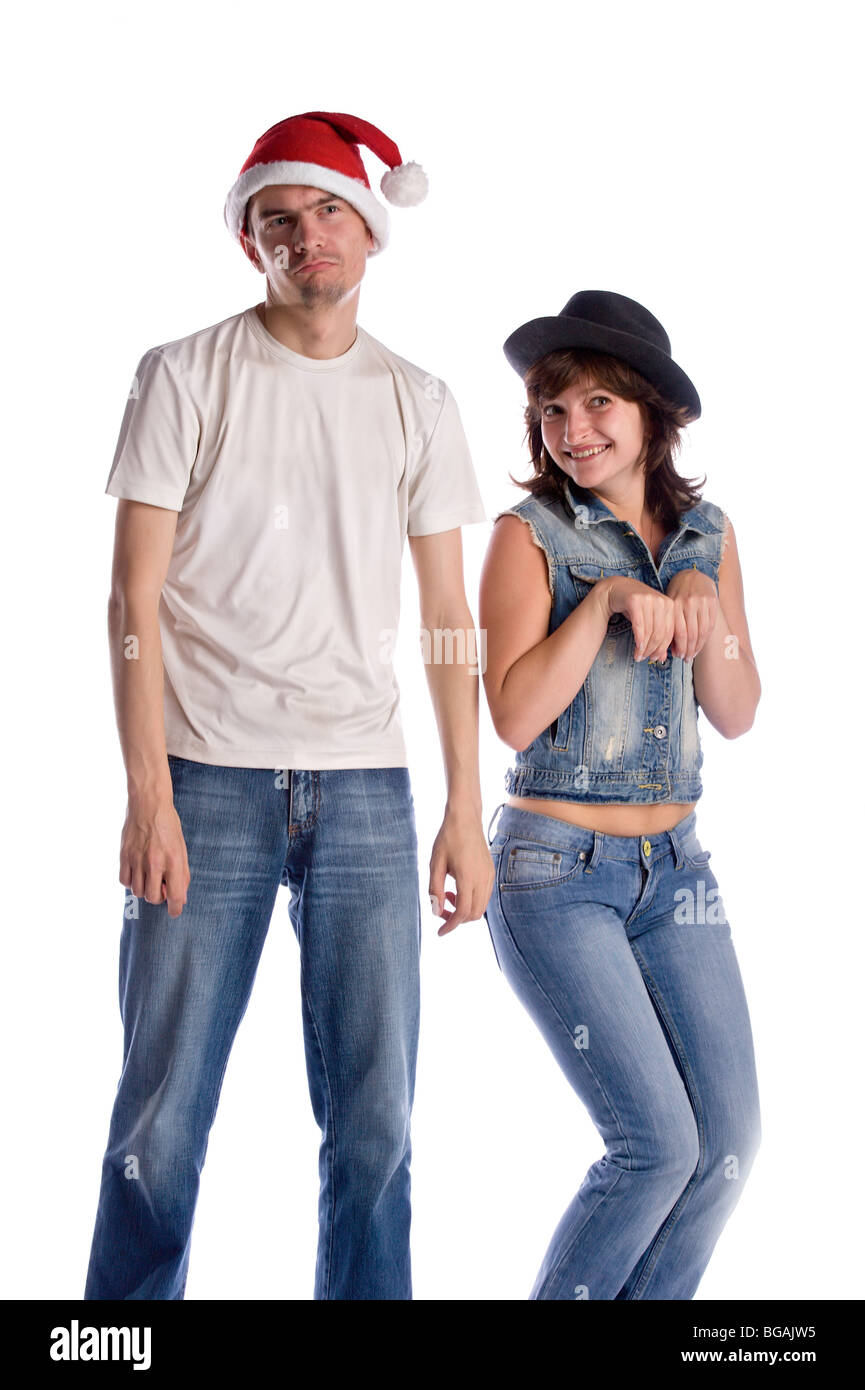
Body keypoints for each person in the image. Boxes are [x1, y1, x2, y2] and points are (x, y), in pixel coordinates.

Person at [84, 110, 493, 1302]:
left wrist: (464, 806)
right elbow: (131, 594)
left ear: (370, 230)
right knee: (159, 1117)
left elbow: (446, 619)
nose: (305, 237)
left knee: (374, 1127)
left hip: (365, 782)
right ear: (249, 244)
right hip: (205, 776)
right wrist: (147, 793)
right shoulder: (184, 373)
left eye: (327, 213)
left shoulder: (418, 399)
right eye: (279, 220)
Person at [479, 290, 762, 1300]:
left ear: (650, 414)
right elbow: (512, 715)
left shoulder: (707, 534)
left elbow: (733, 710)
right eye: (552, 411)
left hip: (674, 871)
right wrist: (602, 600)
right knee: (651, 1146)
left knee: (724, 1143)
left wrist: (701, 596)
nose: (572, 430)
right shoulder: (528, 537)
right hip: (555, 872)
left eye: (596, 403)